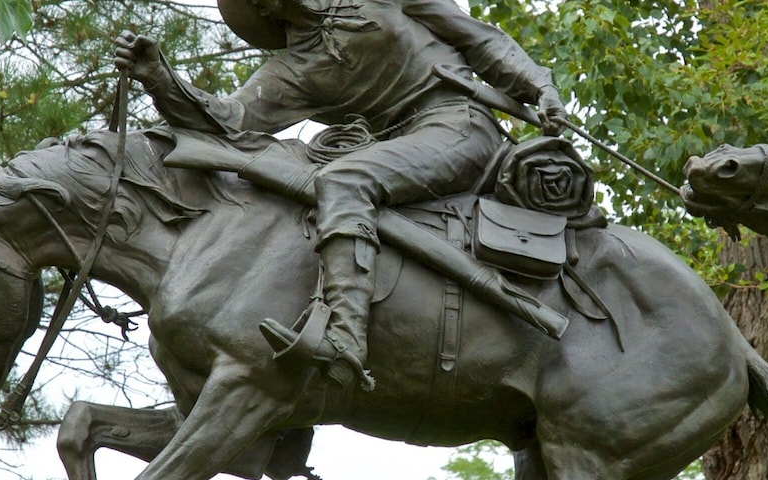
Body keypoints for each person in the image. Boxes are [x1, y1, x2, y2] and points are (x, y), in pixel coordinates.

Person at [112, 0, 566, 389]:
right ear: (263, 10)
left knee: (345, 181)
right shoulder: (292, 69)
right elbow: (229, 121)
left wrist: (538, 86)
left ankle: (346, 331)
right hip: (395, 146)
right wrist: (160, 79)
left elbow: (481, 39)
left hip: (458, 125)